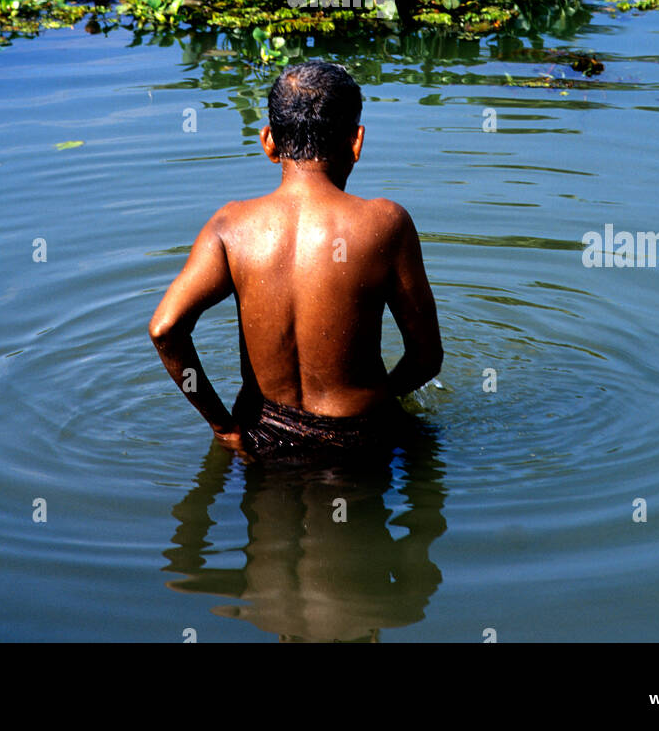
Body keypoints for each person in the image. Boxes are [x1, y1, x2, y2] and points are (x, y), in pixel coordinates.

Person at [149, 60, 442, 463]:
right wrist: (380, 396)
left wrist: (222, 426)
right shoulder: (385, 223)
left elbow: (165, 329)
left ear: (268, 142)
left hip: (263, 441)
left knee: (270, 526)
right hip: (359, 444)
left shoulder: (230, 226)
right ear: (356, 142)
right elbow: (426, 359)